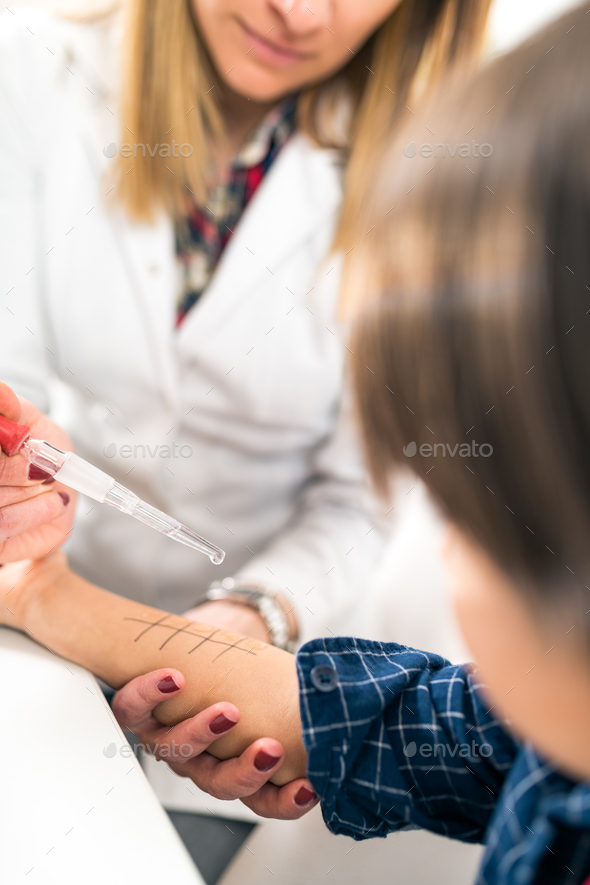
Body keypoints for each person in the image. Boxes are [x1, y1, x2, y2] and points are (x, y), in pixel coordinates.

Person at [3, 3, 590, 882]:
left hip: (232, 669)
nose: (301, 10)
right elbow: (382, 718)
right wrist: (36, 577)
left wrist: (255, 613)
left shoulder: (435, 161)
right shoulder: (34, 70)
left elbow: (361, 504)